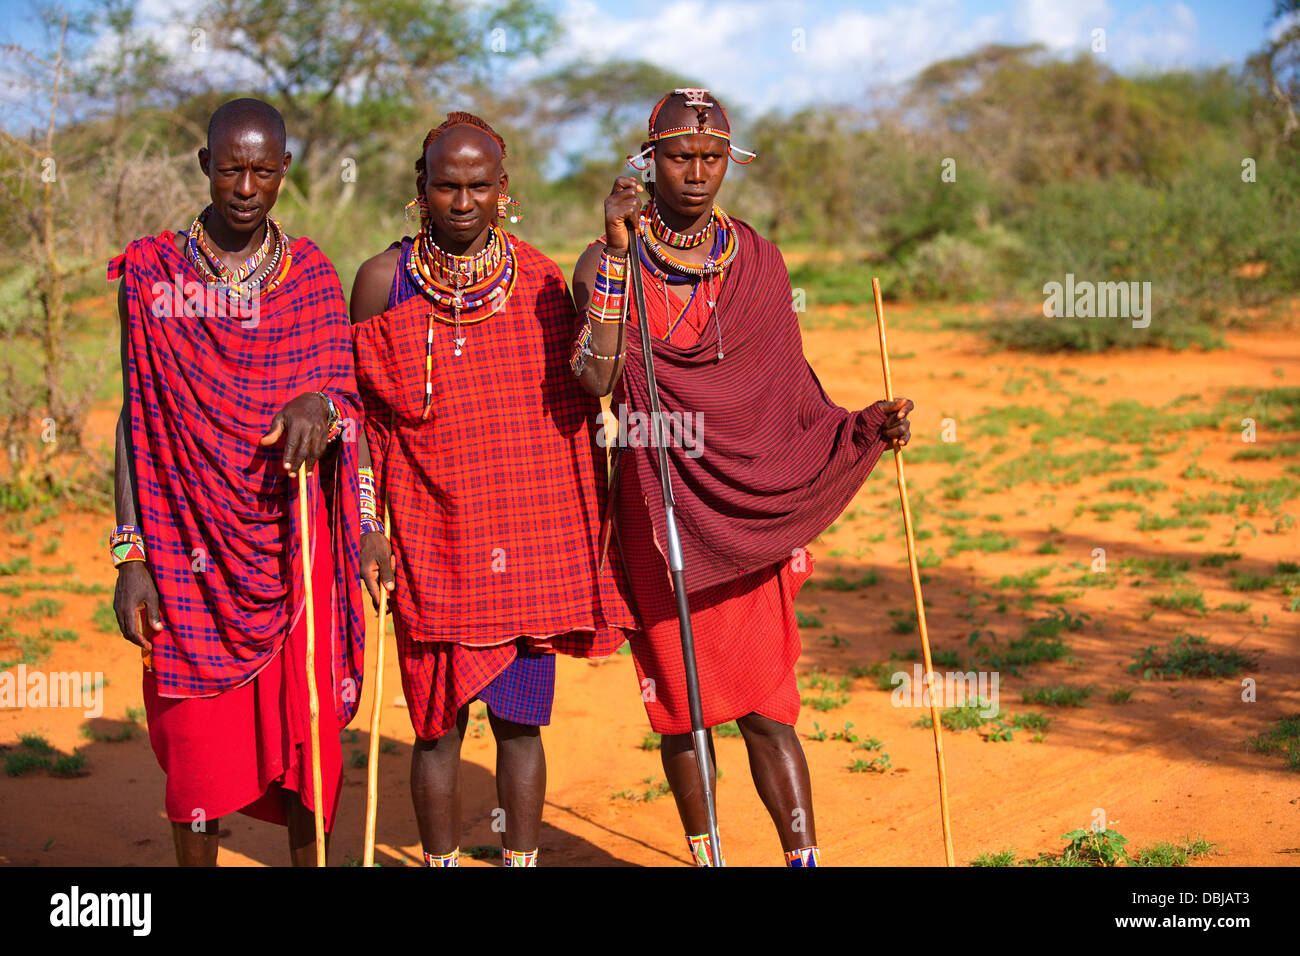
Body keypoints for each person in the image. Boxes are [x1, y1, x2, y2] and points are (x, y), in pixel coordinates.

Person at [570, 89, 914, 867]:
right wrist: (620, 256)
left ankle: (803, 859)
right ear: (646, 159)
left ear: (731, 161)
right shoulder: (605, 259)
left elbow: (789, 390)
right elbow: (593, 379)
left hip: (744, 515)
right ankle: (709, 860)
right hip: (658, 511)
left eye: (713, 157)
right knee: (685, 711)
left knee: (765, 706)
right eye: (680, 156)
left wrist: (862, 426)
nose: (696, 173)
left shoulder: (756, 259)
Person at [350, 112, 633, 868]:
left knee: (518, 727)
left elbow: (590, 388)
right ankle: (440, 863)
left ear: (504, 190)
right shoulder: (383, 282)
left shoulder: (540, 281)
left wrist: (612, 253)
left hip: (526, 549)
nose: (464, 202)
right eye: (448, 186)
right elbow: (364, 426)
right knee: (436, 730)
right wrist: (368, 529)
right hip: (428, 541)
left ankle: (521, 862)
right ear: (422, 188)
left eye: (480, 186)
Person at [109, 98, 365, 866]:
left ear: (285, 170)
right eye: (230, 169)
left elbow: (345, 402)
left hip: (292, 550)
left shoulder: (312, 277)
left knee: (306, 737)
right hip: (186, 543)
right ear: (205, 167)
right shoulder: (153, 276)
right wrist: (130, 556)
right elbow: (135, 417)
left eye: (262, 171)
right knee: (197, 751)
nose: (246, 186)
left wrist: (319, 405)